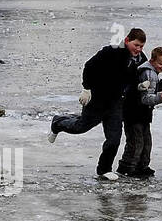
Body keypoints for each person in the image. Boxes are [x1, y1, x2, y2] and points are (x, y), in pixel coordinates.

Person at [48, 28, 146, 180]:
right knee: (80, 127)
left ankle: (104, 169)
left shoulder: (139, 58)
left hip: (115, 102)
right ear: (127, 41)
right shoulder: (110, 52)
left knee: (114, 139)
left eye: (141, 46)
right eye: (136, 45)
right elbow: (89, 66)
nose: (138, 49)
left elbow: (132, 76)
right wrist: (86, 88)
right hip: (97, 100)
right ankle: (58, 122)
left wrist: (138, 86)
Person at [117, 46, 162, 177]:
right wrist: (159, 98)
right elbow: (145, 98)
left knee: (146, 141)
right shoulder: (149, 74)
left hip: (142, 114)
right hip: (134, 113)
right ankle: (128, 166)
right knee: (137, 141)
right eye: (160, 63)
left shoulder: (149, 71)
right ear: (152, 61)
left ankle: (142, 165)